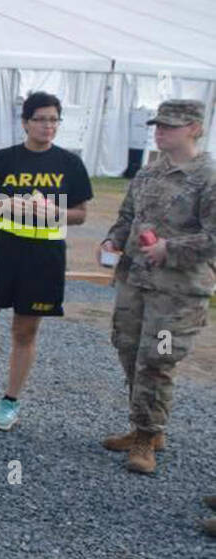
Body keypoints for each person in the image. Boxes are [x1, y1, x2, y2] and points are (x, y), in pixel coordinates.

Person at [99, 98, 215, 475]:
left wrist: (172, 248)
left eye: (170, 125)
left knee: (158, 359)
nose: (160, 131)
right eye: (158, 125)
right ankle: (143, 426)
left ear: (194, 129)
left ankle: (148, 435)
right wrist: (112, 241)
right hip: (137, 283)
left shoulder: (208, 177)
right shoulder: (149, 172)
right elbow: (129, 216)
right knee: (130, 350)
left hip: (177, 294)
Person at [0, 91, 92, 431]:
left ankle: (9, 403)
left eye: (54, 119)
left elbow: (82, 215)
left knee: (24, 332)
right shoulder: (3, 159)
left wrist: (56, 213)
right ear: (25, 123)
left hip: (43, 258)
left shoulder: (70, 164)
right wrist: (4, 205)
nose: (47, 125)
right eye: (40, 119)